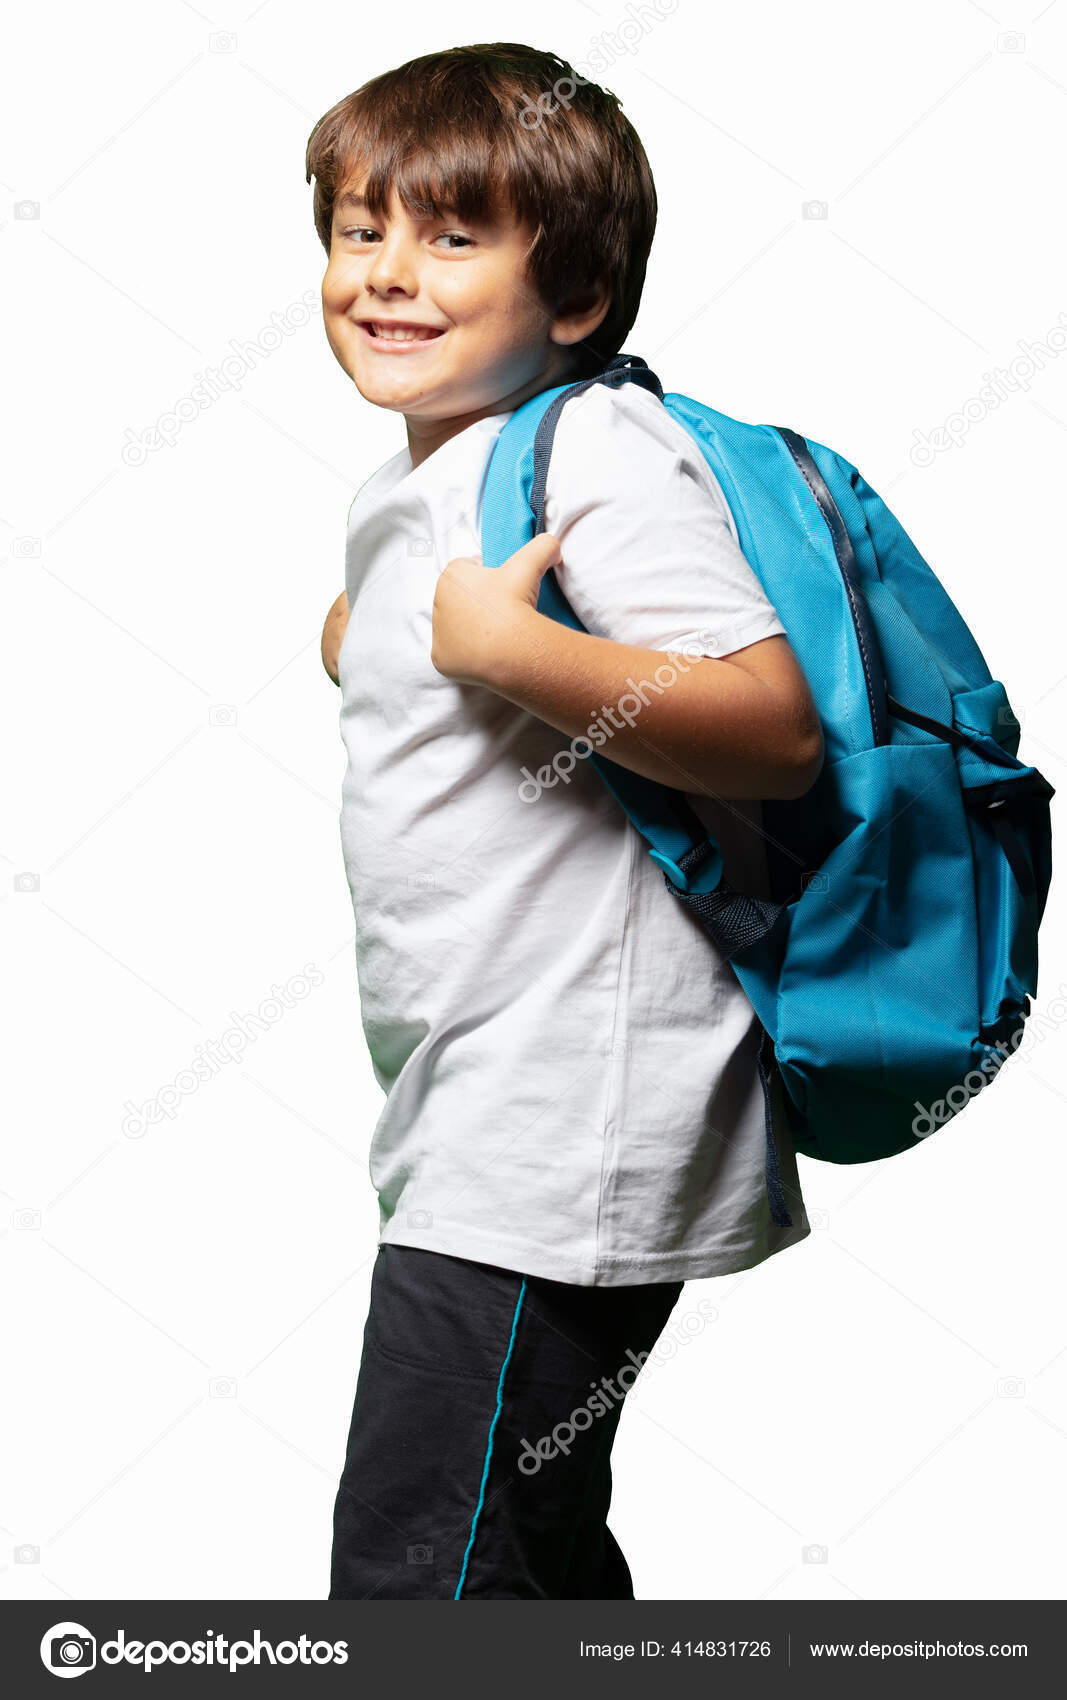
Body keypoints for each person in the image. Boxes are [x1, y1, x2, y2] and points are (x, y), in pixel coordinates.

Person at [308, 41, 823, 1601]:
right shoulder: (437, 476)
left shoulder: (596, 446)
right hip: (480, 1110)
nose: (388, 272)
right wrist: (378, 641)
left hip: (557, 1128)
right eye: (357, 227)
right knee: (517, 1553)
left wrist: (511, 655)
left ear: (579, 295)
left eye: (454, 235)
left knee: (422, 1583)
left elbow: (774, 726)